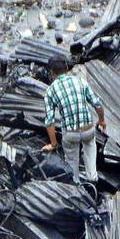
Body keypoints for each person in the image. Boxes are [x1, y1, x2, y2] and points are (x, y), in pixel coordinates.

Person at [42, 55, 105, 183]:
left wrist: (53, 144)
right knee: (90, 148)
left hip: (70, 134)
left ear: (51, 73)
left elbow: (49, 121)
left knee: (72, 165)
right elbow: (97, 103)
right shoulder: (80, 81)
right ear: (66, 68)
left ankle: (75, 184)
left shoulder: (50, 91)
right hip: (88, 129)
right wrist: (101, 120)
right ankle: (92, 178)